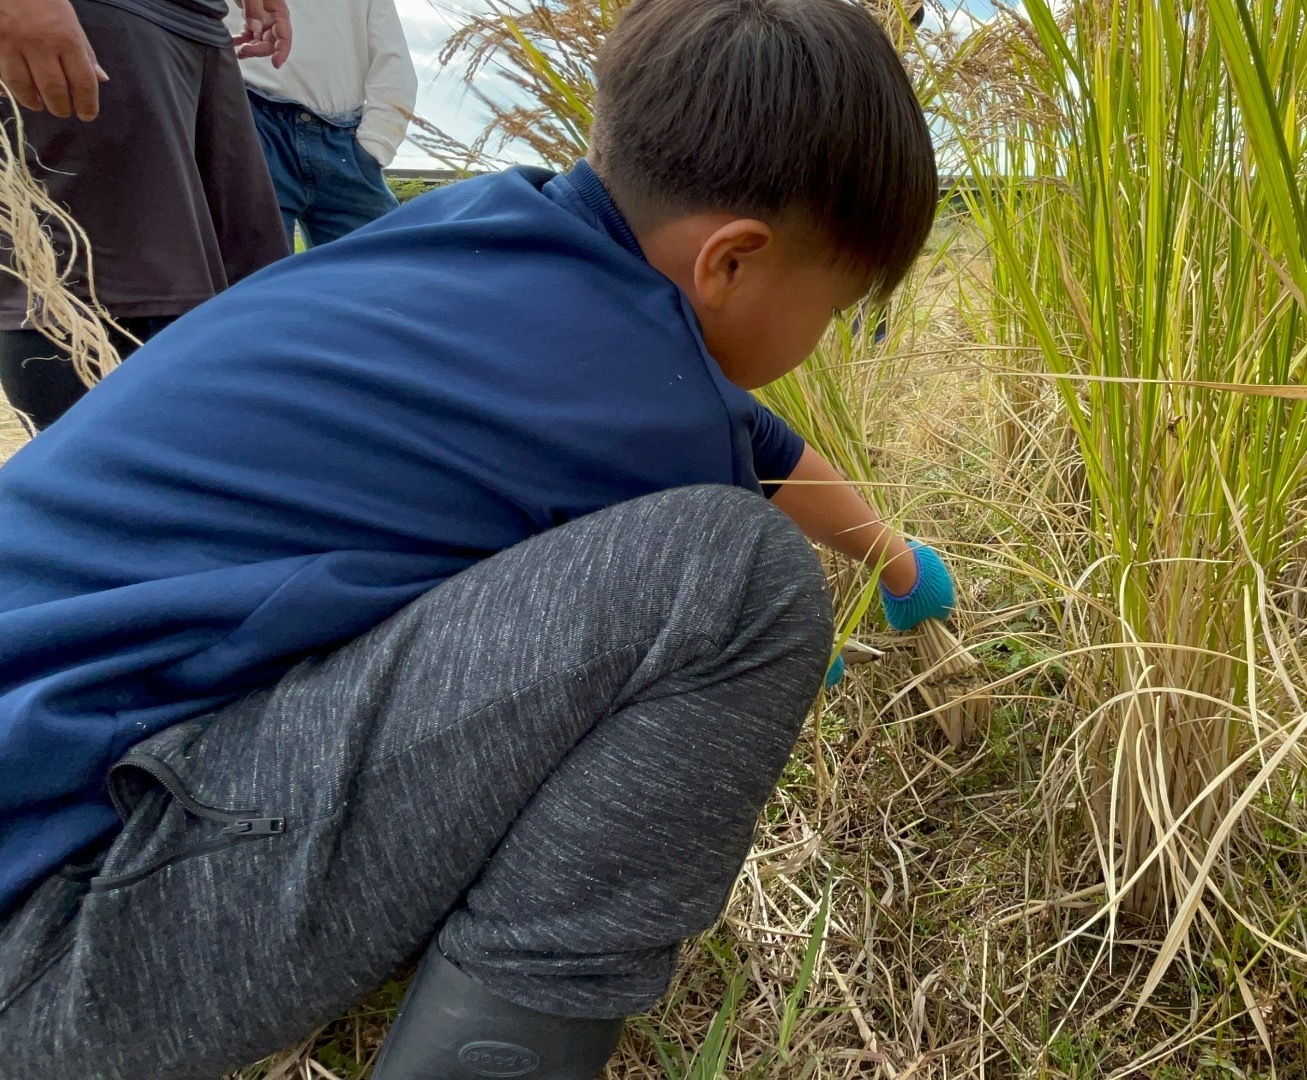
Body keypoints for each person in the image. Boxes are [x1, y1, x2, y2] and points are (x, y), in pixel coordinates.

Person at [0, 0, 948, 1077]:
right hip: (47, 925)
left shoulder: (487, 241)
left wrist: (895, 556)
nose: (819, 337)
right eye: (831, 307)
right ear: (730, 263)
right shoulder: (646, 401)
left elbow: (753, 438)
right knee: (745, 580)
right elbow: (720, 531)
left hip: (41, 786)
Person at [0, 0, 292, 432]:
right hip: (92, 15)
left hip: (200, 27)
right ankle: (92, 491)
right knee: (89, 290)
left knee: (241, 293)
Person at [225, 0, 416, 247]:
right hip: (252, 125)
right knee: (256, 275)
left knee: (381, 270)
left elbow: (393, 60)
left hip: (345, 143)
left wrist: (374, 147)